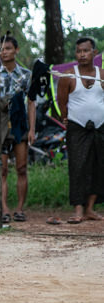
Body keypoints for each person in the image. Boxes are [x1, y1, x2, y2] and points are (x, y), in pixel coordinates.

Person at [0, 36, 36, 224]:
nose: (3, 52)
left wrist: (32, 129)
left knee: (21, 168)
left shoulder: (26, 75)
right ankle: (4, 207)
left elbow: (31, 103)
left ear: (16, 50)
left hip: (19, 122)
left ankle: (20, 208)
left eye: (7, 48)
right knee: (2, 168)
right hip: (0, 123)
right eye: (1, 49)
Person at [56, 37, 104, 224]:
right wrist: (65, 117)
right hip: (77, 127)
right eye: (78, 51)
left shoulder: (102, 74)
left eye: (85, 50)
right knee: (77, 167)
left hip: (100, 127)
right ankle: (78, 209)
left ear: (94, 52)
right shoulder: (68, 75)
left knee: (98, 166)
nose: (82, 54)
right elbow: (62, 101)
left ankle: (90, 209)